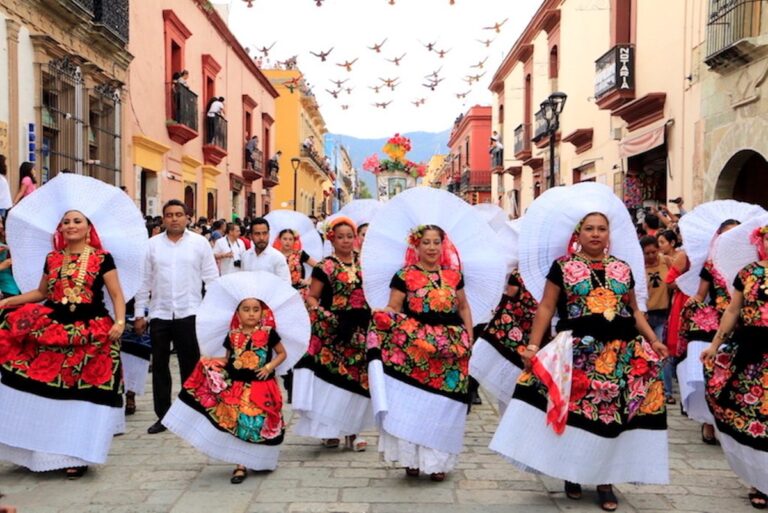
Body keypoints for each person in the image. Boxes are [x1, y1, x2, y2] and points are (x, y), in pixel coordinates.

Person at [490, 212, 669, 512]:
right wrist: (534, 346)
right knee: (576, 414)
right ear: (579, 233)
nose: (596, 234)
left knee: (612, 415)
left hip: (620, 352)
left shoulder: (622, 269)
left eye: (601, 229)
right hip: (578, 353)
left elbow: (635, 312)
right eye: (589, 229)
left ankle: (604, 480)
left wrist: (654, 340)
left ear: (609, 234)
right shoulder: (563, 267)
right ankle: (571, 472)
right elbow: (546, 308)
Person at [0, 209, 127, 478]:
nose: (71, 226)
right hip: (54, 330)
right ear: (60, 228)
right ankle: (40, 449)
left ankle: (77, 455)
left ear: (88, 226)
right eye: (66, 222)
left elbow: (116, 294)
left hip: (92, 333)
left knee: (84, 397)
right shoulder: (53, 257)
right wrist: (10, 301)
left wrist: (119, 322)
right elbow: (42, 293)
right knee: (44, 390)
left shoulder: (102, 258)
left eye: (77, 221)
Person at [367, 225, 473, 481]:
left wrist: (470, 338)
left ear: (443, 245)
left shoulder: (454, 276)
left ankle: (438, 462)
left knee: (446, 403)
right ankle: (411, 459)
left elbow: (464, 308)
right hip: (417, 347)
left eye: (437, 242)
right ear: (416, 246)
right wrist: (383, 314)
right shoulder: (404, 275)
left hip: (451, 348)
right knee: (414, 403)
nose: (432, 247)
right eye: (426, 242)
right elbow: (395, 306)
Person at [167, 297, 287, 484]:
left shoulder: (269, 333)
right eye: (246, 309)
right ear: (237, 313)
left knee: (259, 423)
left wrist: (269, 367)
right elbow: (229, 360)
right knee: (239, 423)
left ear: (262, 313)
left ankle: (259, 459)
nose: (251, 313)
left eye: (256, 309)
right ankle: (240, 464)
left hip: (262, 386)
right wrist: (210, 363)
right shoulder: (232, 336)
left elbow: (282, 353)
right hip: (238, 387)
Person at [133, 199, 219, 434]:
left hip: (190, 312)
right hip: (160, 313)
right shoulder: (151, 246)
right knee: (160, 366)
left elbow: (211, 279)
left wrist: (212, 311)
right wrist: (140, 313)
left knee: (190, 366)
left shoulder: (200, 244)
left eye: (179, 214)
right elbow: (144, 281)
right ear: (163, 218)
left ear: (187, 217)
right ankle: (164, 416)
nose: (174, 218)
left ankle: (190, 414)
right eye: (169, 215)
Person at [701, 224, 768, 509]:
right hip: (753, 353)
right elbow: (732, 309)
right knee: (756, 419)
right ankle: (761, 481)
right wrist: (715, 345)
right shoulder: (749, 273)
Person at [292, 216, 371, 451]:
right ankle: (330, 429)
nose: (346, 241)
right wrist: (323, 316)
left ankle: (353, 431)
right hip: (333, 330)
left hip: (359, 330)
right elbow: (312, 296)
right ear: (332, 239)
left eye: (350, 236)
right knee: (332, 381)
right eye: (340, 237)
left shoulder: (365, 262)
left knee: (357, 380)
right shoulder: (324, 266)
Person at [678, 219, 740, 444]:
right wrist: (689, 306)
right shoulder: (711, 265)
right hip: (716, 321)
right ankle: (708, 420)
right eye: (725, 235)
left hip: (747, 323)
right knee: (710, 372)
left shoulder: (753, 265)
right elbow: (701, 294)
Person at [471, 266, 539, 414]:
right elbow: (509, 301)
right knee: (508, 375)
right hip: (515, 334)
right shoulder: (519, 275)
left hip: (541, 336)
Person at [641, 236, 671, 404]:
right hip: (644, 316)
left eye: (654, 252)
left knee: (662, 351)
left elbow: (675, 281)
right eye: (647, 253)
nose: (651, 256)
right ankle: (647, 388)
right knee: (645, 353)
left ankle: (666, 391)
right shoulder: (637, 267)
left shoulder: (666, 261)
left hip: (662, 313)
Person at [274, 228, 318, 294]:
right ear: (280, 240)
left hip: (300, 292)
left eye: (290, 239)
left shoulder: (300, 254)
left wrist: (309, 281)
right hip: (281, 292)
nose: (287, 242)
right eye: (285, 239)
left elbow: (318, 266)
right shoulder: (275, 255)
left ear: (294, 241)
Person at [0, 216, 20, 301]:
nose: (1, 226)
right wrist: (3, 265)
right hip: (6, 291)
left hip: (15, 289)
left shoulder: (5, 244)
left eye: (1, 222)